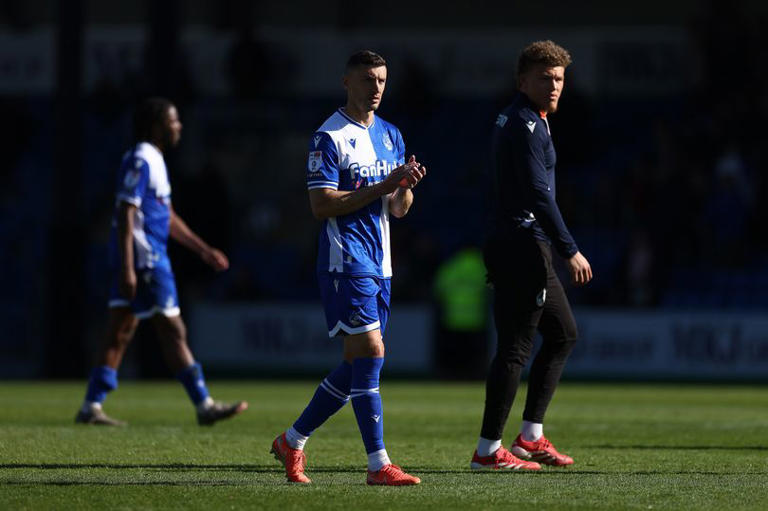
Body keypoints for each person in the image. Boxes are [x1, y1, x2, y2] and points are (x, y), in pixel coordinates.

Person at [270, 50, 426, 486]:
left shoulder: (392, 134)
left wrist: (405, 187)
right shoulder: (328, 137)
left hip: (381, 262)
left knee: (359, 363)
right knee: (373, 353)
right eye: (366, 80)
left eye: (381, 80)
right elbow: (321, 206)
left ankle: (292, 440)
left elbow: (397, 209)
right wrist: (384, 183)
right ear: (346, 82)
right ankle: (378, 465)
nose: (375, 88)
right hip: (345, 260)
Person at [75, 97, 248, 426]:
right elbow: (126, 211)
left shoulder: (153, 159)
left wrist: (202, 249)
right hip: (146, 260)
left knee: (120, 332)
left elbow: (164, 215)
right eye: (174, 121)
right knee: (173, 328)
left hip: (144, 258)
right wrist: (128, 267)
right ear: (157, 125)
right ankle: (204, 405)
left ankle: (91, 407)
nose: (179, 126)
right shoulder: (141, 159)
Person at [470, 41, 592, 470]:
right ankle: (487, 451)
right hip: (523, 245)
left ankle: (530, 436)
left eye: (559, 78)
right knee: (515, 349)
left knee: (563, 335)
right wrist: (569, 249)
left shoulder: (529, 120)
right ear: (523, 81)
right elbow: (539, 194)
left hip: (524, 243)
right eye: (545, 78)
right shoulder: (524, 124)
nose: (554, 86)